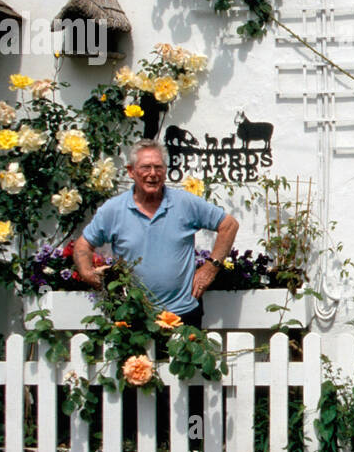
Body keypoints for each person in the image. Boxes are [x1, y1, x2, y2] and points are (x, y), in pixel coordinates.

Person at [73, 139, 239, 329]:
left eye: (158, 167)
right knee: (136, 361)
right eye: (145, 167)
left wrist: (210, 268)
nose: (153, 174)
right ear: (131, 171)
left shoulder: (185, 203)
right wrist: (88, 274)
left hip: (182, 313)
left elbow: (229, 225)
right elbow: (83, 244)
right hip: (134, 315)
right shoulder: (113, 210)